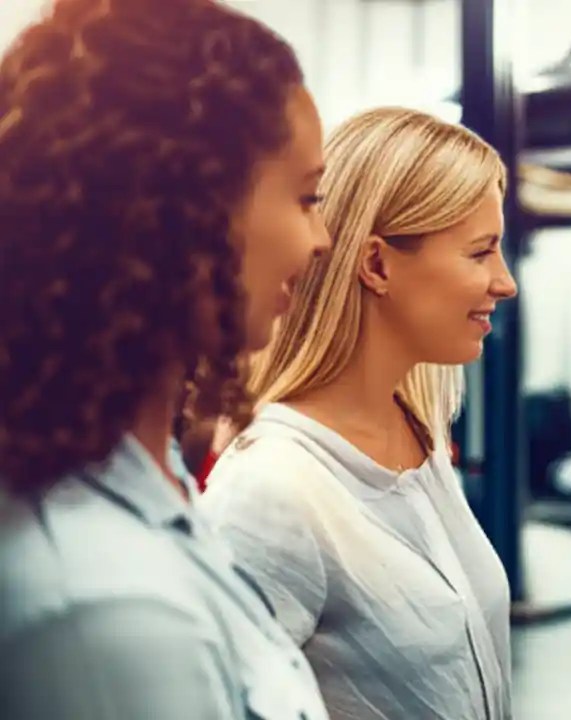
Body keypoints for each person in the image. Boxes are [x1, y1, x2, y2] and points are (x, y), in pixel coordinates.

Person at [0, 0, 332, 717]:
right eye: (306, 198)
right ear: (191, 210)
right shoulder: (107, 615)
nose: (321, 240)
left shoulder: (153, 479)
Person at [198, 107, 519, 720]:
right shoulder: (270, 493)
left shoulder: (418, 435)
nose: (504, 282)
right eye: (480, 253)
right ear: (376, 265)